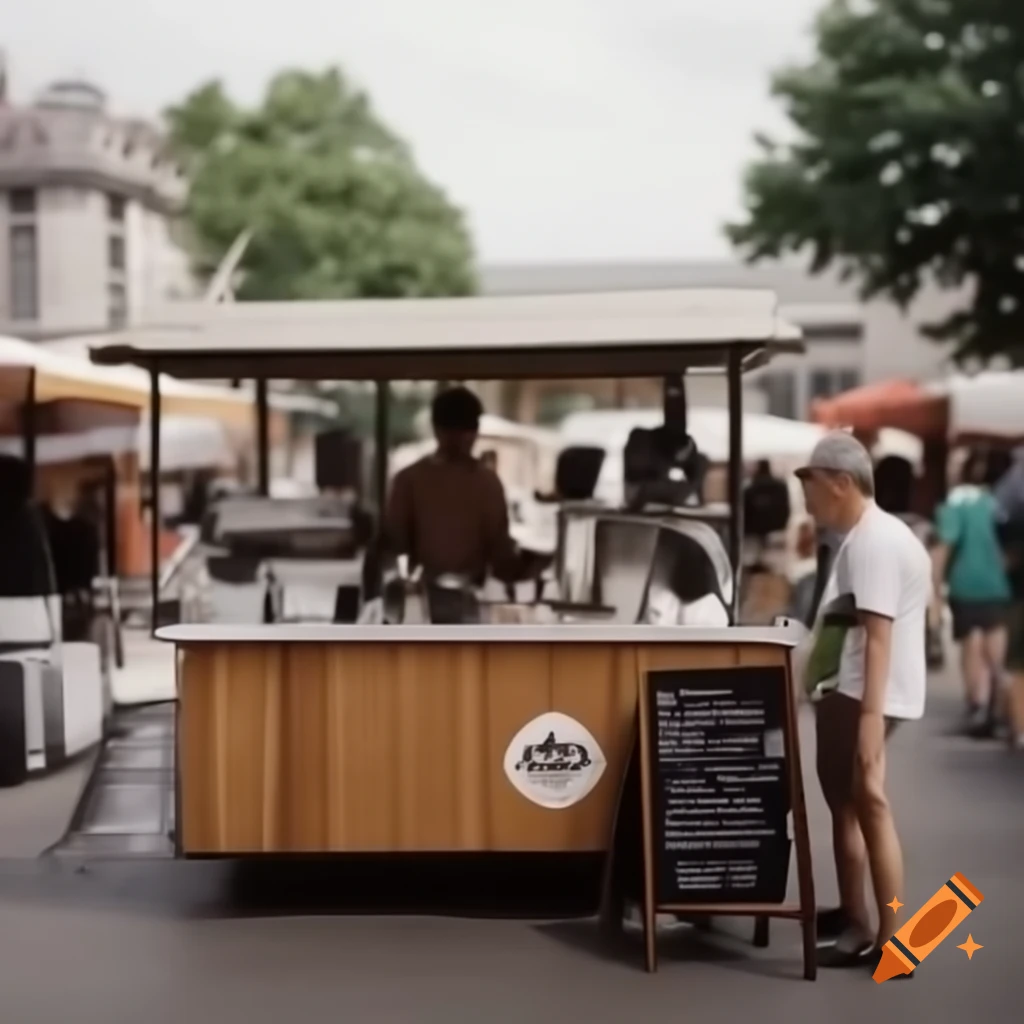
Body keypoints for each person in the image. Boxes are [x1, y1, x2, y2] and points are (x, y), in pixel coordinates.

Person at [796, 433, 931, 974]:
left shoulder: (874, 542)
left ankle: (891, 940)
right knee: (847, 799)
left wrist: (871, 719)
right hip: (856, 687)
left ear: (841, 483)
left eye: (811, 483)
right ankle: (856, 917)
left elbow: (878, 635)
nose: (806, 496)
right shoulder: (870, 536)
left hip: (865, 690)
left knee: (865, 800)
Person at [385, 386, 522, 585]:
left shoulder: (409, 480)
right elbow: (501, 553)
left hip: (431, 593)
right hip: (452, 593)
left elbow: (394, 546)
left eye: (466, 431)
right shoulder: (486, 483)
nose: (462, 439)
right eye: (458, 431)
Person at [932, 450, 1011, 737]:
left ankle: (976, 703)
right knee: (997, 650)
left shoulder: (957, 502)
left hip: (965, 583)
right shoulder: (1000, 502)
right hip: (999, 584)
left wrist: (935, 586)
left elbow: (945, 545)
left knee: (971, 644)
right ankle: (1002, 707)